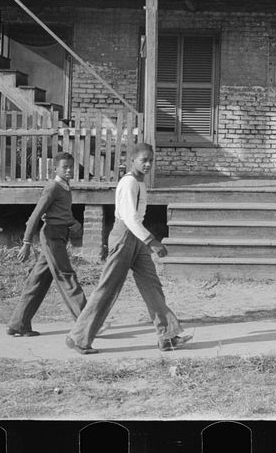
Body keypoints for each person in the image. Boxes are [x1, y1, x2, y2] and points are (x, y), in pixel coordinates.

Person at [65, 143, 190, 355]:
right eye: (144, 160)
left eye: (151, 160)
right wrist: (153, 242)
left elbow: (137, 220)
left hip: (137, 239)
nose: (148, 164)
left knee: (152, 286)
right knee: (107, 289)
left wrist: (145, 241)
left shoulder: (140, 183)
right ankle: (78, 338)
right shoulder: (128, 183)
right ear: (132, 161)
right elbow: (130, 218)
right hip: (124, 238)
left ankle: (167, 336)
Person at [6, 152, 87, 337]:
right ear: (55, 168)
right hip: (51, 236)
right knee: (66, 276)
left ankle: (19, 324)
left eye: (70, 167)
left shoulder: (65, 186)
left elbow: (61, 212)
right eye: (64, 167)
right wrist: (26, 242)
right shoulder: (52, 187)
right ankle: (87, 321)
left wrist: (72, 222)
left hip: (60, 234)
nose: (68, 170)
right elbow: (35, 215)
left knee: (37, 281)